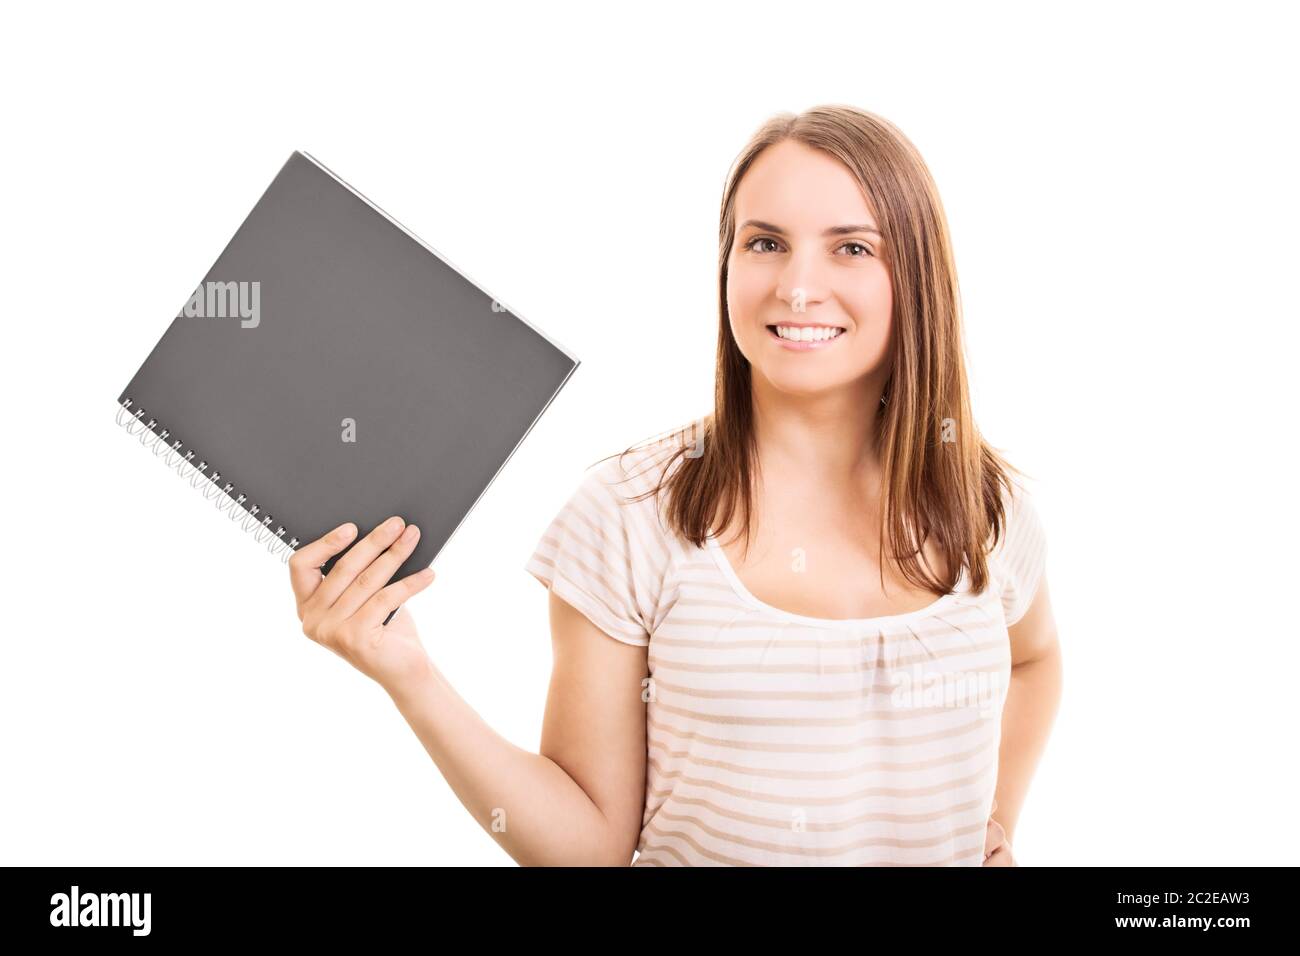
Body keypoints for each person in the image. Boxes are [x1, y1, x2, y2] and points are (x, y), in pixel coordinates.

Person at [288, 104, 1061, 866]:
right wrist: (410, 676)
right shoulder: (629, 515)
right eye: (765, 243)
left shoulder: (989, 509)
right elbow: (588, 847)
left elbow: (1035, 660)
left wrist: (994, 818)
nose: (797, 287)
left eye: (852, 248)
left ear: (918, 276)